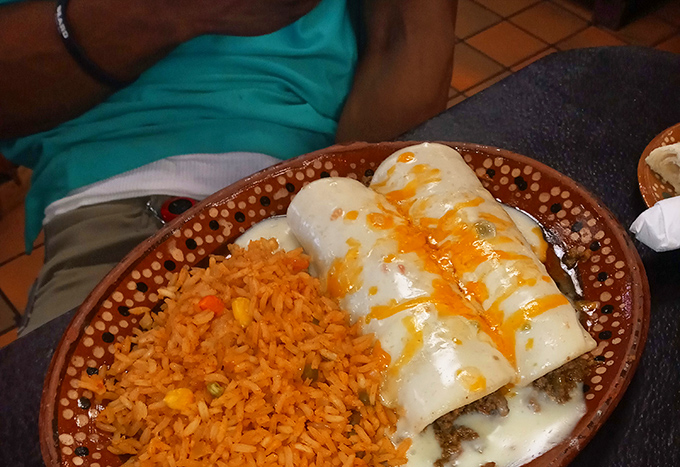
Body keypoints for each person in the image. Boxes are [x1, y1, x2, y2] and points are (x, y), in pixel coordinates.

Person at [0, 0, 457, 334]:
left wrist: (349, 198)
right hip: (114, 197)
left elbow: (408, 38)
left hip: (325, 175)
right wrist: (169, 12)